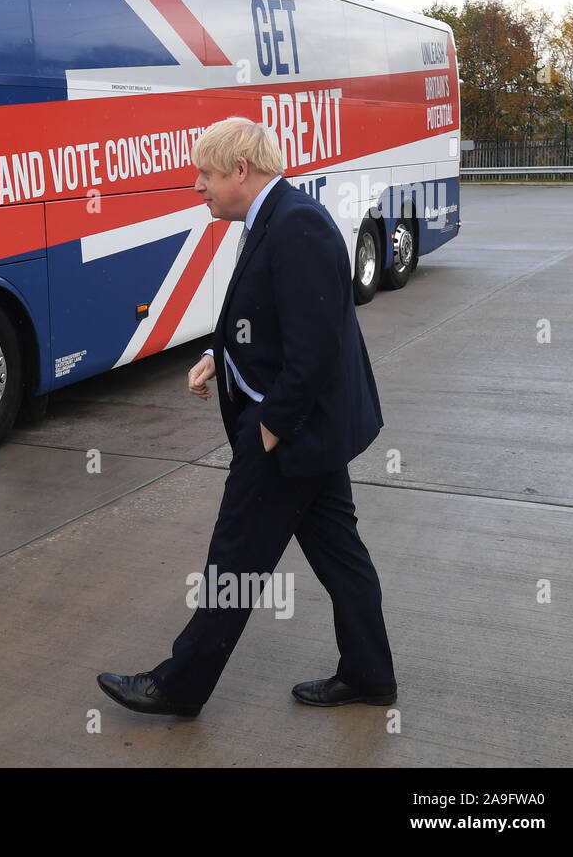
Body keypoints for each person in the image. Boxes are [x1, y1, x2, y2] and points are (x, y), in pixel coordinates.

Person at [97, 117, 396, 718]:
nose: (198, 185)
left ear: (240, 170)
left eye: (205, 173)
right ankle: (369, 674)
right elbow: (270, 318)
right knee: (341, 553)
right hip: (308, 433)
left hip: (291, 435)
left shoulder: (296, 226)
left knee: (234, 559)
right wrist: (216, 355)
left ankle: (179, 687)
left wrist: (269, 427)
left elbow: (315, 349)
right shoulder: (273, 219)